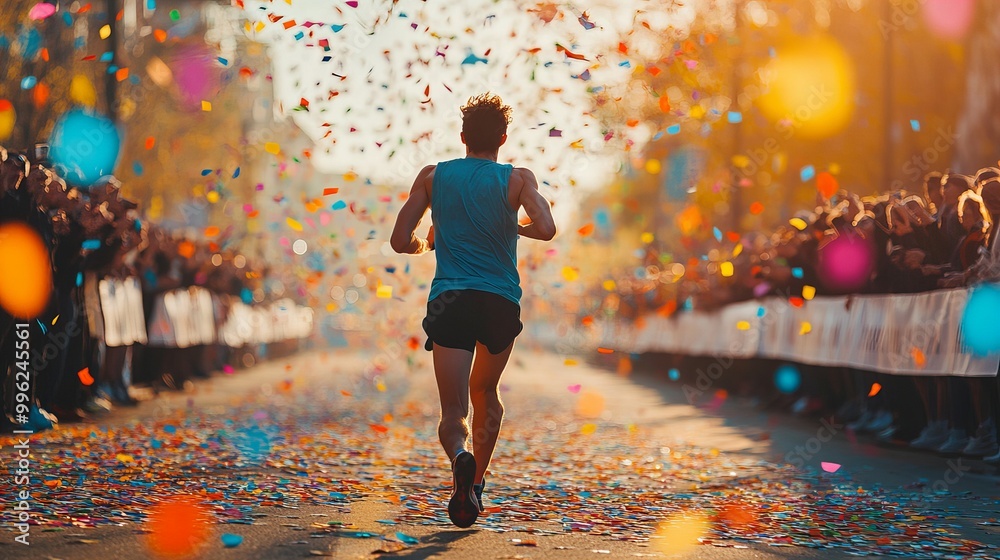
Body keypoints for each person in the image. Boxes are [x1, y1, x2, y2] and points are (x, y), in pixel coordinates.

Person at [390, 93, 556, 528]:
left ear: (462, 137)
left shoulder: (433, 177)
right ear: (503, 138)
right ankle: (477, 484)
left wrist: (426, 242)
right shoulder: (518, 179)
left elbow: (399, 239)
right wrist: (512, 226)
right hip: (500, 301)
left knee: (452, 412)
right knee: (487, 397)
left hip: (451, 301)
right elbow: (547, 228)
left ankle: (460, 458)